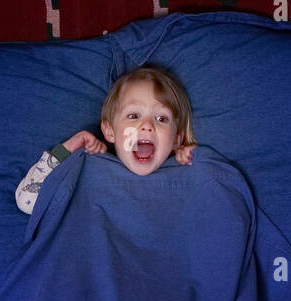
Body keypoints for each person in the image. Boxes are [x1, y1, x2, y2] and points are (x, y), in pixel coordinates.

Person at [15, 64, 197, 215]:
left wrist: (194, 160)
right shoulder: (88, 170)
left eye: (161, 119)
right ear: (109, 131)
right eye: (133, 116)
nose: (147, 125)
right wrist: (69, 147)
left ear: (176, 138)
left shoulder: (182, 173)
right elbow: (27, 201)